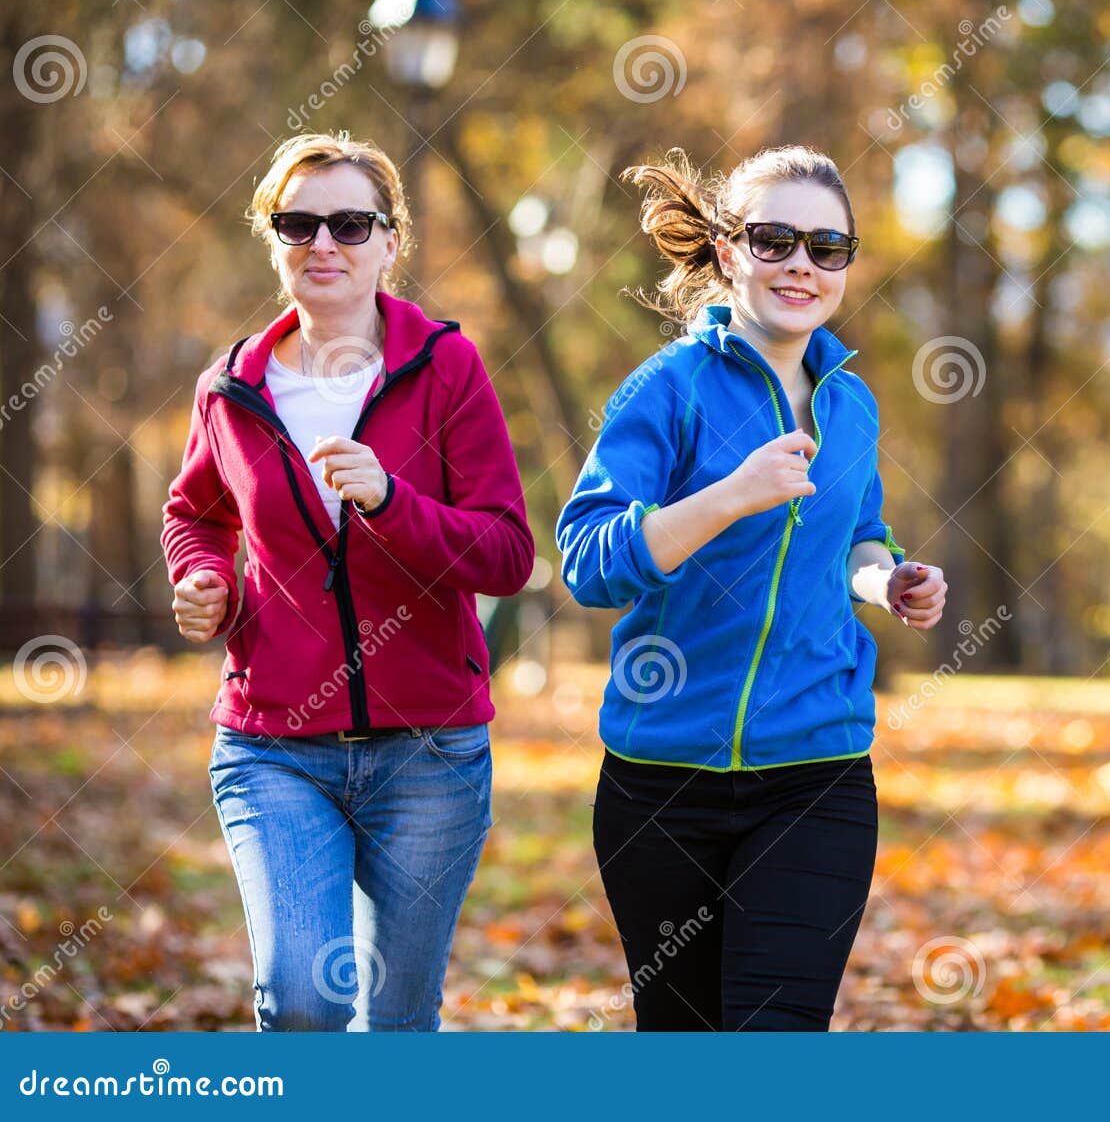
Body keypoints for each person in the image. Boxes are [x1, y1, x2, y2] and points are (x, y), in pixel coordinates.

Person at [557, 145, 946, 1030]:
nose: (800, 264)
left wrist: (890, 582)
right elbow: (587, 560)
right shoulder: (665, 390)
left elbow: (857, 538)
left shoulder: (852, 401)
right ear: (729, 251)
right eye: (773, 240)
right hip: (661, 780)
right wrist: (730, 496)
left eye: (826, 247)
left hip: (818, 767)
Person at [161, 131, 535, 1030]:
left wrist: (391, 501)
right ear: (274, 239)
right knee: (301, 999)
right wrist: (203, 574)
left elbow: (506, 553)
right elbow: (195, 512)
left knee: (398, 1019)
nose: (322, 242)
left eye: (349, 222)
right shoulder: (230, 388)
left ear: (388, 242)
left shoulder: (447, 367)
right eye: (298, 223)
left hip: (431, 754)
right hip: (274, 746)